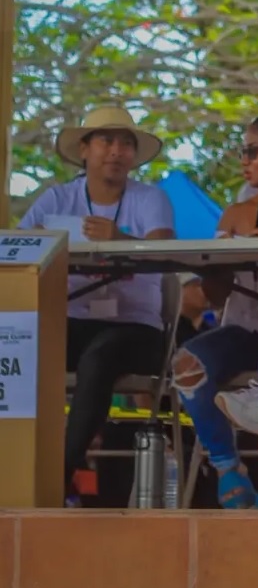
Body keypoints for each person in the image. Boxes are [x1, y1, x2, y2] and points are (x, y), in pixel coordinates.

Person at [20, 107, 177, 502]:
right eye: (106, 140)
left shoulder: (150, 198)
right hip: (72, 321)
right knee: (19, 344)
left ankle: (57, 479)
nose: (117, 151)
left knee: (100, 355)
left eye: (126, 143)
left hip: (137, 330)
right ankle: (19, 465)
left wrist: (120, 238)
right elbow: (21, 250)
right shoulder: (57, 198)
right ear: (84, 150)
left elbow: (167, 253)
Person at [174, 113, 258, 509]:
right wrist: (221, 260)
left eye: (253, 150)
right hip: (242, 326)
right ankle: (227, 466)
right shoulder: (234, 213)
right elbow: (214, 297)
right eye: (242, 151)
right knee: (186, 364)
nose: (244, 159)